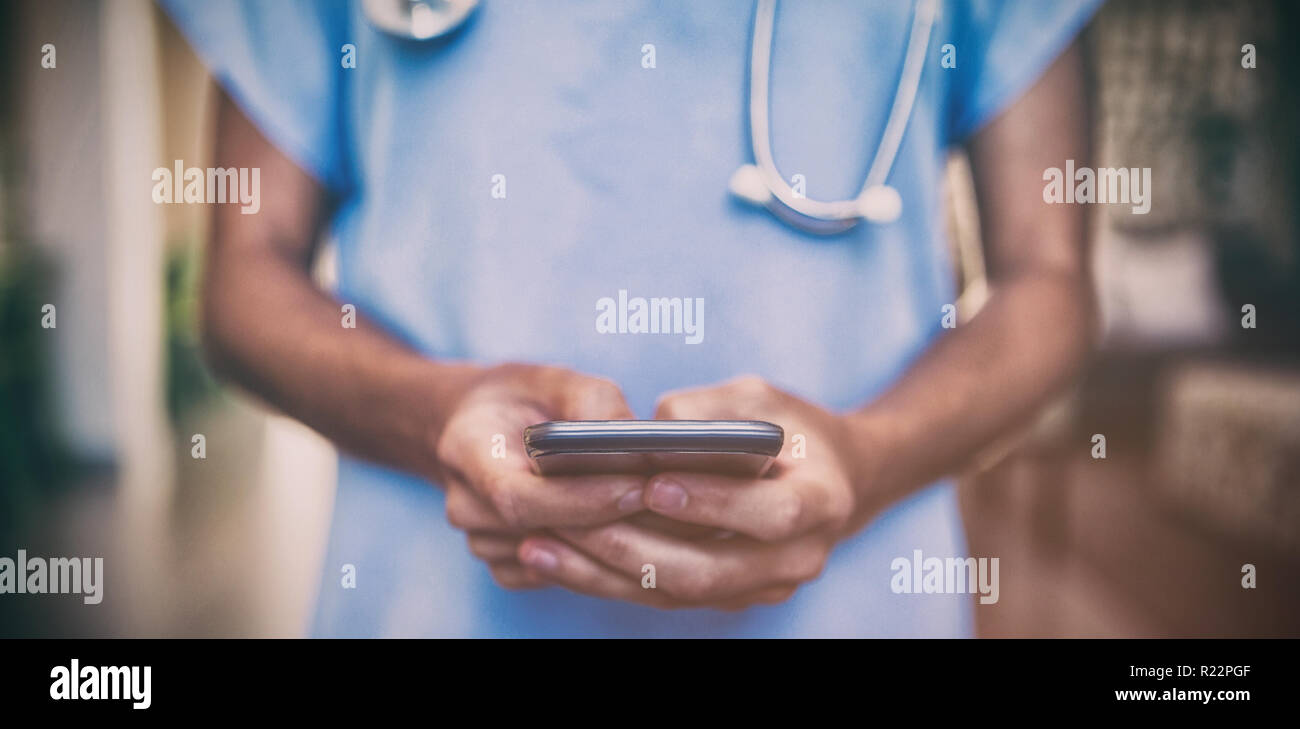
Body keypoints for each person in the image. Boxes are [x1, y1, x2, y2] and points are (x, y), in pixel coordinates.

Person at [161, 0, 1099, 636]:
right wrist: (433, 412)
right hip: (429, 603)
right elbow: (244, 278)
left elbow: (1050, 282)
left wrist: (874, 456)